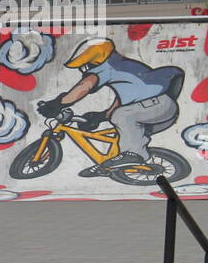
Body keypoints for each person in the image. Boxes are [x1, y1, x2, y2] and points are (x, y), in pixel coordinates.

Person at [37, 38, 185, 176]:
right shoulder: (125, 68)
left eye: (84, 65)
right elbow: (124, 100)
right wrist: (101, 116)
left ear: (94, 60)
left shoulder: (106, 67)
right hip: (159, 109)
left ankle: (134, 154)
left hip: (157, 105)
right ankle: (106, 165)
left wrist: (57, 104)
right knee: (119, 123)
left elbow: (83, 88)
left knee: (121, 116)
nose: (83, 70)